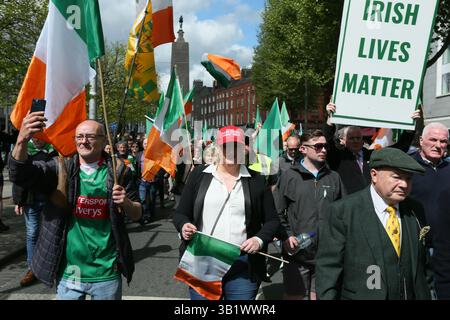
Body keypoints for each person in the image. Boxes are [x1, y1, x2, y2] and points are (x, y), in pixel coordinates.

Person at [9, 112, 142, 300]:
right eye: (79, 136)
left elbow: (137, 213)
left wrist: (126, 203)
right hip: (70, 272)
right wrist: (22, 139)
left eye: (90, 136)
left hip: (106, 273)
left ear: (104, 140)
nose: (84, 141)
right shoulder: (60, 167)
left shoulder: (119, 170)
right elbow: (19, 173)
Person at [172, 126, 280, 300]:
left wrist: (258, 239)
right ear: (217, 148)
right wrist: (183, 226)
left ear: (244, 149)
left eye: (236, 146)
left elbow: (272, 220)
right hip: (203, 261)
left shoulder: (257, 180)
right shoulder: (199, 175)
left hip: (243, 265)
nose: (231, 151)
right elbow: (180, 213)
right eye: (226, 146)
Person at [316, 147, 431, 300]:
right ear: (374, 175)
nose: (404, 184)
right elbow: (328, 270)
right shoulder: (343, 212)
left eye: (408, 178)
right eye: (397, 177)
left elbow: (424, 266)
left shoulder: (415, 210)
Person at [275, 129, 345, 300]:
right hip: (297, 253)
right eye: (318, 146)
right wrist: (286, 236)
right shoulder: (289, 176)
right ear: (303, 149)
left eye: (325, 146)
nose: (324, 150)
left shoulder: (334, 177)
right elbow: (277, 212)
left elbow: (344, 212)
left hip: (326, 254)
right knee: (295, 296)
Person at [324, 102, 417, 194]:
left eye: (358, 138)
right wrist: (330, 119)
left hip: (370, 203)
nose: (355, 141)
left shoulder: (372, 155)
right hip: (348, 203)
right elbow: (327, 140)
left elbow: (398, 149)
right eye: (351, 138)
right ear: (343, 140)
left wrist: (409, 128)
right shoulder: (338, 157)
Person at [408, 122, 450, 299]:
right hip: (415, 242)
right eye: (433, 139)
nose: (438, 145)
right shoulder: (408, 167)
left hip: (445, 245)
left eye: (443, 141)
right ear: (421, 140)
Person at [12, 137, 57, 286]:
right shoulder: (25, 150)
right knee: (32, 233)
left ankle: (50, 266)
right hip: (30, 200)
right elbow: (18, 177)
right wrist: (18, 201)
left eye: (40, 136)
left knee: (50, 232)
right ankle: (32, 269)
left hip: (49, 199)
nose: (37, 140)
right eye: (35, 137)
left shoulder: (53, 150)